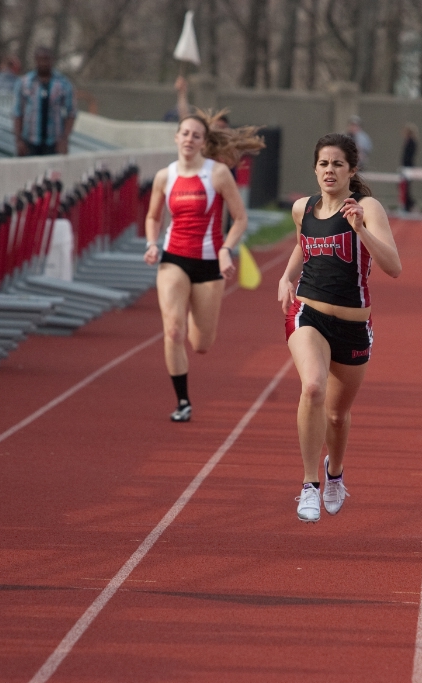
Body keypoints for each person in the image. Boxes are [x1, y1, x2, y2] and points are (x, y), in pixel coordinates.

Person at [278, 133, 402, 522]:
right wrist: (286, 277)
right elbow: (304, 242)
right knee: (312, 386)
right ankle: (309, 484)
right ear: (315, 168)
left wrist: (361, 229)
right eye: (323, 164)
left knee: (336, 415)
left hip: (353, 325)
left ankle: (335, 474)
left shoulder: (368, 207)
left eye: (337, 164)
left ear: (351, 170)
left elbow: (393, 267)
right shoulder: (303, 207)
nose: (329, 171)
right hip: (307, 313)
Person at [142, 111, 264, 422]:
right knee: (173, 330)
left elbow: (240, 219)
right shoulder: (164, 176)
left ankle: (195, 333)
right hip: (173, 258)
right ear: (176, 137)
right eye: (185, 133)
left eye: (196, 135)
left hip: (210, 262)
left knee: (201, 344)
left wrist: (226, 249)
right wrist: (152, 244)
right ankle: (183, 401)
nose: (189, 139)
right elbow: (154, 217)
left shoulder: (218, 174)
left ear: (204, 142)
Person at [12, 47, 74, 156]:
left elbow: (71, 113)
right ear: (36, 60)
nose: (44, 63)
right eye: (41, 59)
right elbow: (17, 113)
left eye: (47, 59)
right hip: (30, 141)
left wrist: (64, 139)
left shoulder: (63, 83)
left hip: (54, 142)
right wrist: (18, 140)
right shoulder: (25, 82)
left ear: (52, 60)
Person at [400, 122, 418, 212]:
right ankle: (408, 205)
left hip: (408, 167)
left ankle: (410, 205)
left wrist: (406, 167)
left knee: (406, 187)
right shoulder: (408, 141)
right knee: (403, 187)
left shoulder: (412, 142)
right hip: (406, 166)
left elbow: (409, 156)